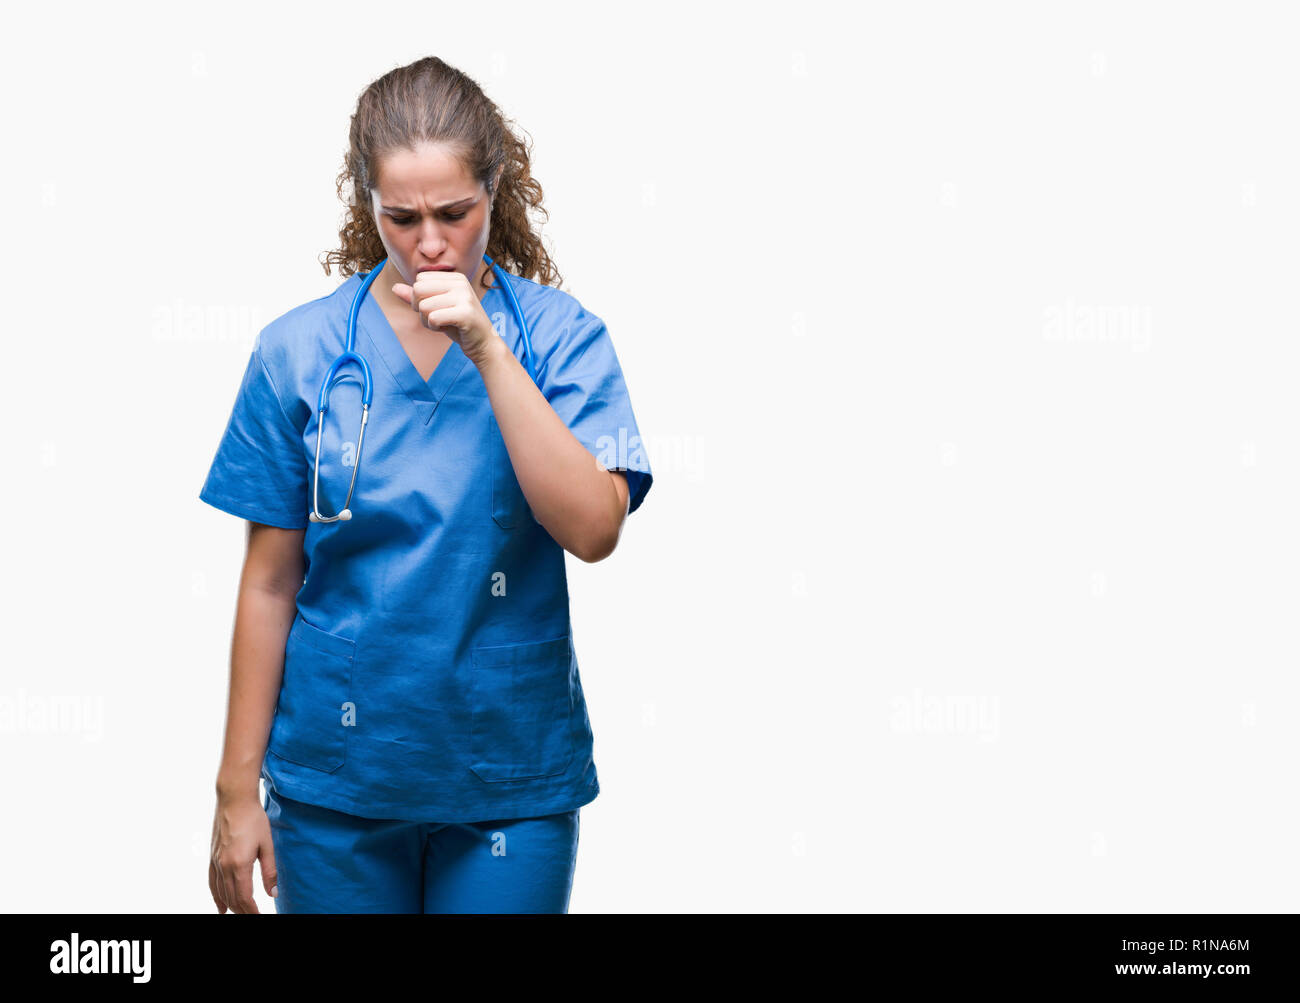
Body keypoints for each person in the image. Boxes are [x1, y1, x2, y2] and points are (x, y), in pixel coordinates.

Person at [200, 56, 652, 914]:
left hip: (508, 777)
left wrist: (487, 347)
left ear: (497, 189)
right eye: (399, 217)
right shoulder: (297, 352)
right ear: (364, 202)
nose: (430, 243)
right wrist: (233, 790)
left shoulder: (561, 338)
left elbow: (595, 528)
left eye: (455, 213)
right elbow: (268, 583)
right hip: (336, 783)